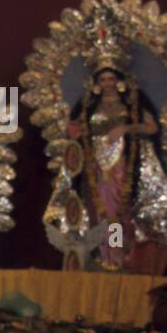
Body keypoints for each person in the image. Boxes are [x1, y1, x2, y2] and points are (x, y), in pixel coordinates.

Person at [66, 65, 165, 272]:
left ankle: (117, 257)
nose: (107, 84)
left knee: (117, 211)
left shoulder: (131, 104)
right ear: (97, 83)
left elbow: (152, 127)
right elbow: (73, 128)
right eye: (103, 80)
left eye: (111, 79)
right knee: (97, 210)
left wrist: (125, 128)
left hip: (121, 164)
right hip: (94, 165)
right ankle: (102, 257)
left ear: (119, 81)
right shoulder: (89, 105)